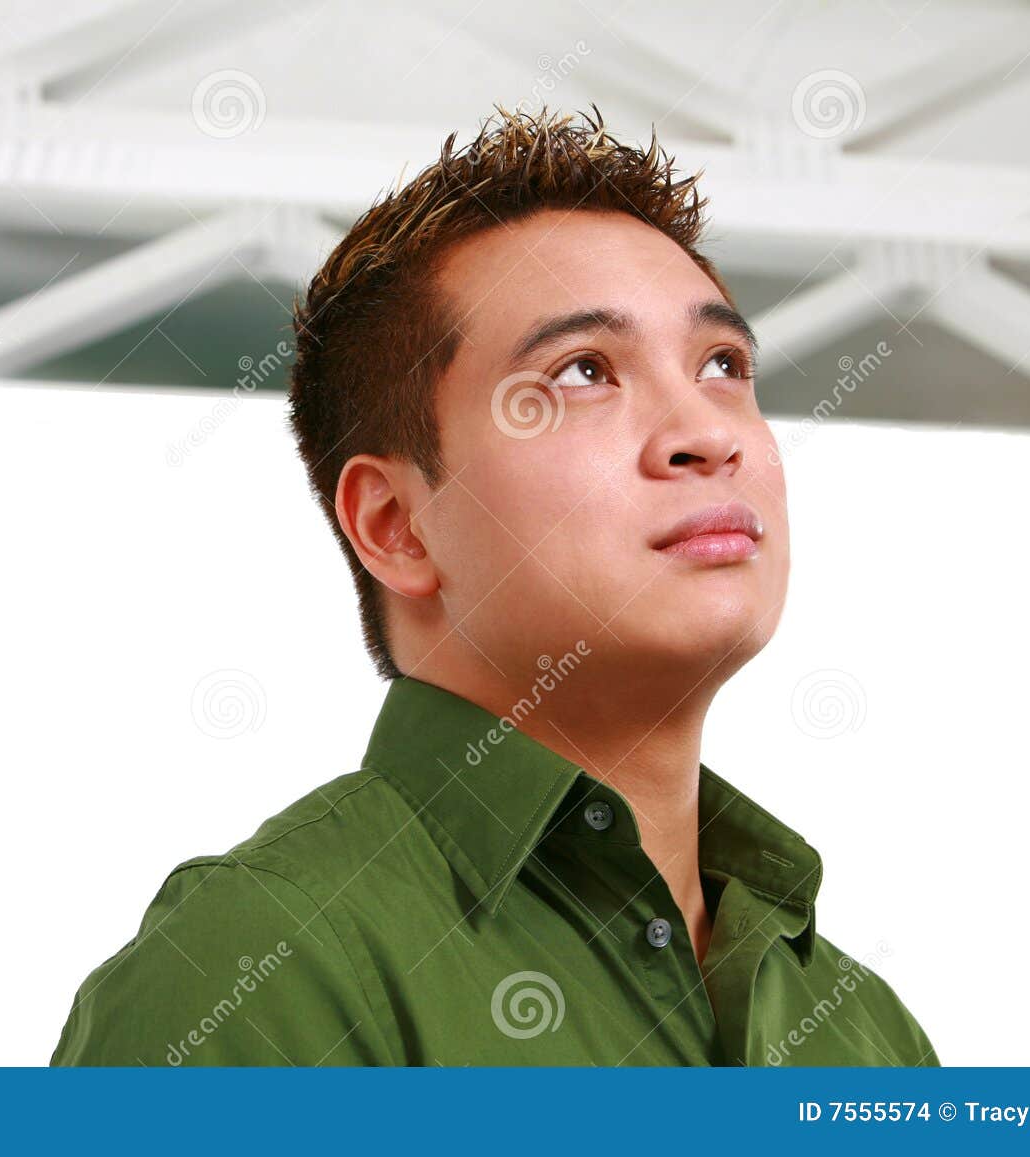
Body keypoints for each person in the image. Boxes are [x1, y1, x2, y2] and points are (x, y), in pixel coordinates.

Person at [50, 105, 938, 1067]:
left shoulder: (866, 1029)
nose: (708, 433)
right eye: (584, 371)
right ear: (397, 525)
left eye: (722, 364)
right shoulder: (261, 959)